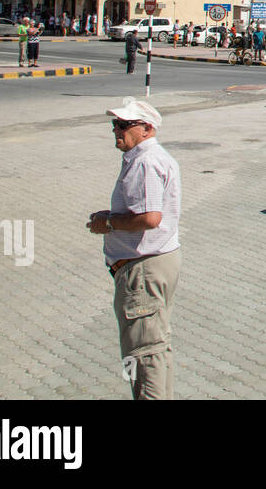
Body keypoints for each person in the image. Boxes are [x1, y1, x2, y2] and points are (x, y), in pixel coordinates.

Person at [86, 98, 181, 400]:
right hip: (154, 264)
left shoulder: (145, 161)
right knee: (155, 349)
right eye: (115, 124)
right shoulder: (145, 157)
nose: (117, 130)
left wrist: (109, 223)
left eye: (125, 125)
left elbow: (150, 217)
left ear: (147, 129)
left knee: (143, 356)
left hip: (142, 270)